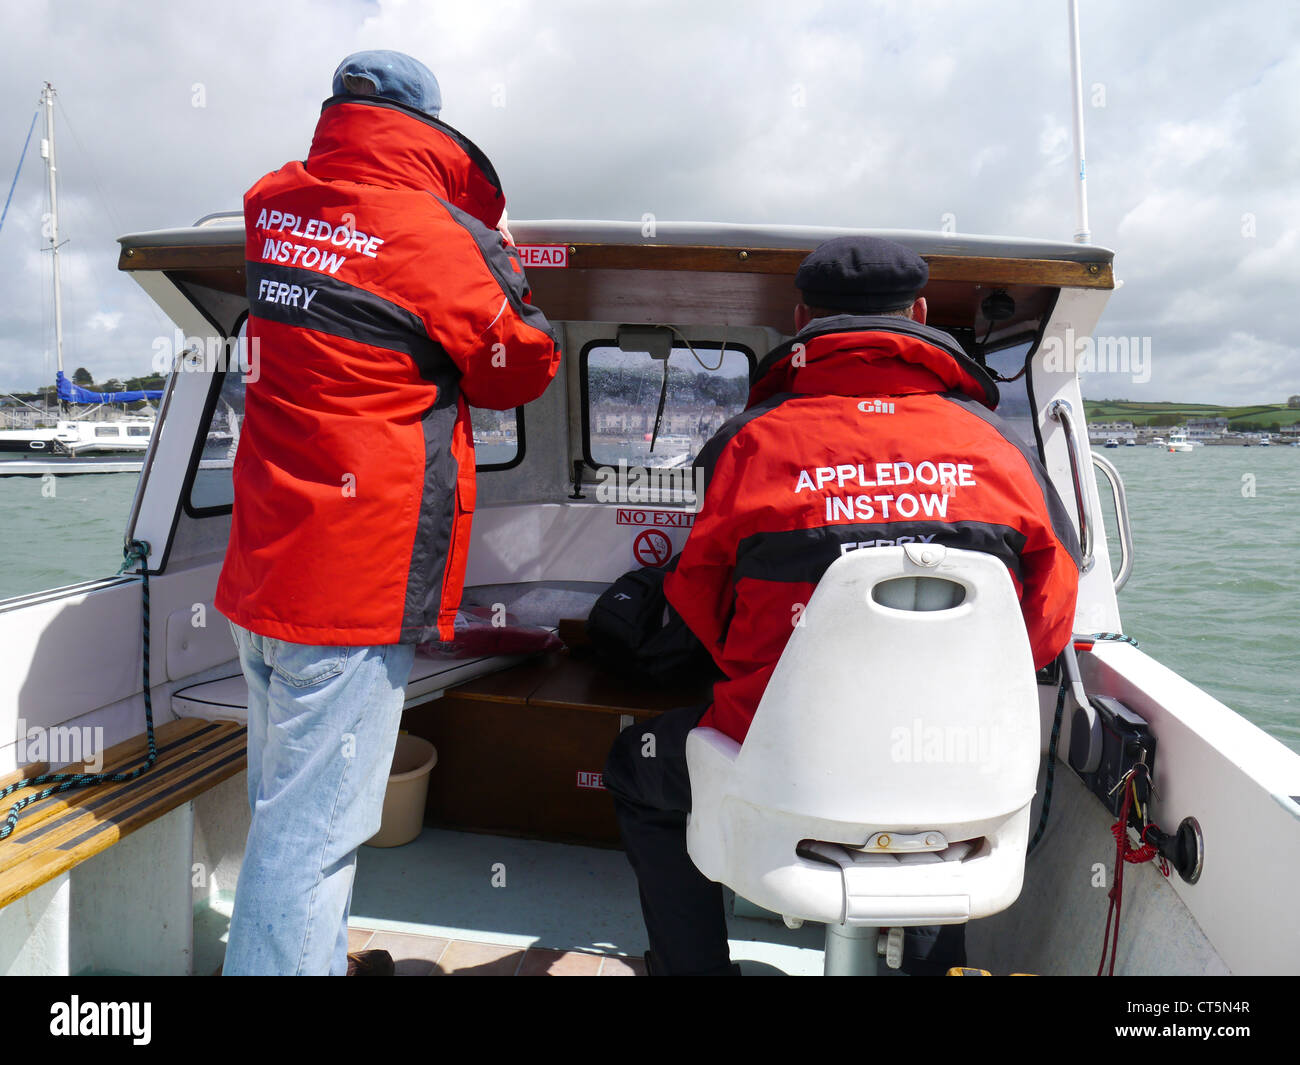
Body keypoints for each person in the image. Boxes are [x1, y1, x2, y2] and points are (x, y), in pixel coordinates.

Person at [604, 235, 1081, 975]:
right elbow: (1046, 633)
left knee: (636, 765)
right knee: (927, 808)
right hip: (955, 774)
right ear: (920, 314)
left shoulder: (749, 446)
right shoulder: (1003, 450)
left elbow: (700, 608)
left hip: (781, 769)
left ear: (800, 319)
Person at [216, 51, 561, 975]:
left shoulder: (270, 204)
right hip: (353, 592)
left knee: (287, 818)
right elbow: (520, 365)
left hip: (263, 579)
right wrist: (507, 266)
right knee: (315, 836)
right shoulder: (436, 236)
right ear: (430, 125)